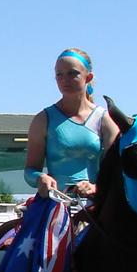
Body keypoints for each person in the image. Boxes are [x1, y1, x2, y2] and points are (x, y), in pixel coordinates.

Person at [23, 48, 119, 198]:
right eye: (59, 74)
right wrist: (41, 178)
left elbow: (117, 170)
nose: (64, 80)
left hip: (96, 205)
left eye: (72, 73)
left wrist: (96, 187)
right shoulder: (43, 119)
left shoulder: (105, 119)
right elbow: (29, 170)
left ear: (88, 77)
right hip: (54, 205)